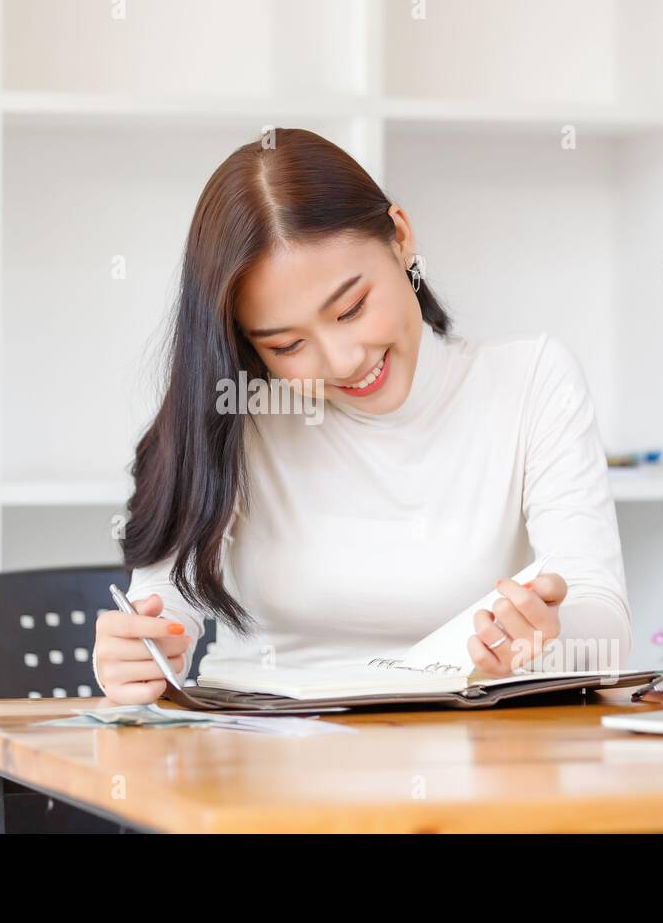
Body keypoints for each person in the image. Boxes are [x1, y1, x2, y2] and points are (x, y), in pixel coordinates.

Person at [93, 127, 630, 705]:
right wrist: (142, 653)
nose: (343, 362)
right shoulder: (236, 408)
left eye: (351, 309)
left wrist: (548, 635)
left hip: (471, 760)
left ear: (400, 238)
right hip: (262, 755)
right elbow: (166, 604)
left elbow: (602, 618)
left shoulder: (531, 380)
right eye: (286, 346)